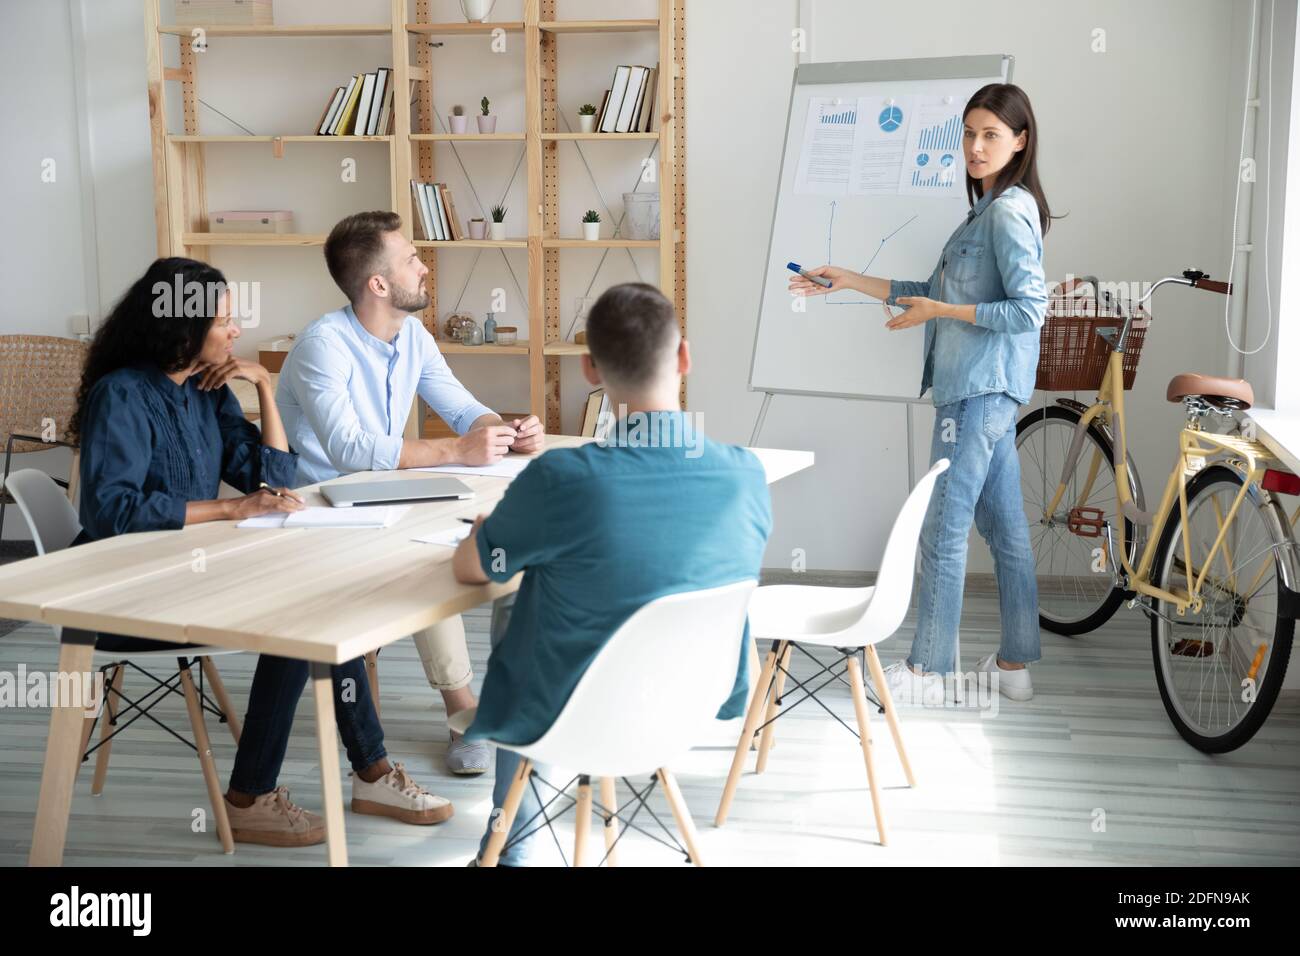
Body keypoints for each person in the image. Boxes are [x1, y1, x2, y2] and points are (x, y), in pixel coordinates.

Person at [72, 257, 451, 847]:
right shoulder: (120, 395)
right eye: (224, 320)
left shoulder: (206, 390)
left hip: (189, 568)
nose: (235, 331)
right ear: (181, 326)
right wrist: (228, 510)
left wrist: (265, 387)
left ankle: (359, 774)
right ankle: (260, 795)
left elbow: (272, 477)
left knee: (321, 605)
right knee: (299, 618)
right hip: (123, 588)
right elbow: (111, 512)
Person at [452, 282, 773, 866]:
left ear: (590, 370)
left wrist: (483, 530)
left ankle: (512, 851)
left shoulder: (562, 478)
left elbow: (474, 570)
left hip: (569, 719)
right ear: (684, 358)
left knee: (515, 610)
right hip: (687, 708)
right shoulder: (745, 474)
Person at [790, 83, 1051, 703]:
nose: (975, 146)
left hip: (979, 393)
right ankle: (1014, 666)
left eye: (990, 134)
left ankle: (929, 670)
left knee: (944, 526)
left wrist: (945, 310)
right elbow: (925, 290)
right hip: (981, 392)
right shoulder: (982, 214)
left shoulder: (1009, 212)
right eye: (968, 133)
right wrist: (848, 278)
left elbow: (1030, 309)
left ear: (1019, 141)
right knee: (1005, 526)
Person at [276, 211, 546, 775]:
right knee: (425, 562)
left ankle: (484, 705)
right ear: (378, 284)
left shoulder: (413, 335)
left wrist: (504, 429)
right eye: (412, 259)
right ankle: (464, 712)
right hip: (321, 508)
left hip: (387, 496)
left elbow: (460, 405)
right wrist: (455, 451)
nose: (425, 267)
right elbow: (349, 448)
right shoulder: (322, 347)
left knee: (446, 549)